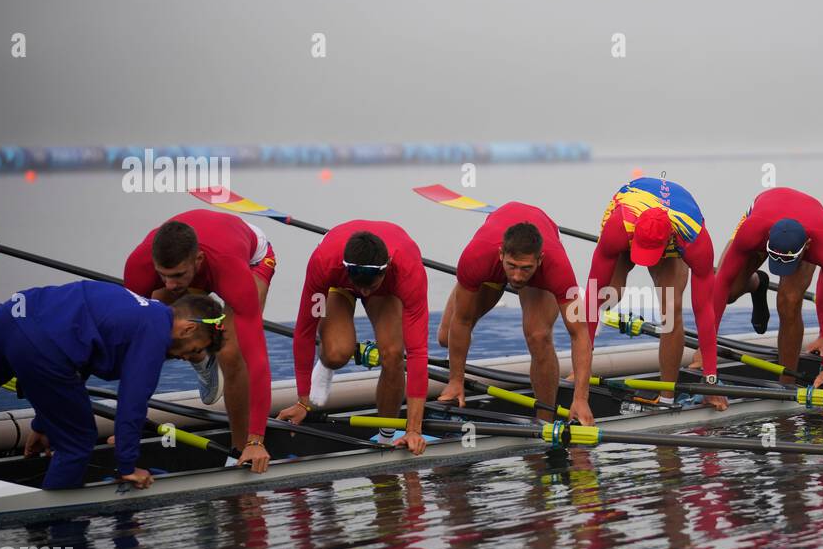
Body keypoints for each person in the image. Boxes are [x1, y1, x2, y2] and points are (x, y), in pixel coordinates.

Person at [0, 282, 223, 489]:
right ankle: (53, 526)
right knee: (78, 442)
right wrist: (127, 467)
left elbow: (75, 366)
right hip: (41, 344)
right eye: (197, 350)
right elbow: (131, 404)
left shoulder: (143, 309)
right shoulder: (154, 333)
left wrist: (44, 424)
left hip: (10, 316)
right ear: (188, 329)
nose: (188, 356)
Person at [124, 209, 276, 471]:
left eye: (178, 275)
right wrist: (126, 427)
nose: (170, 285)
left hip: (250, 260)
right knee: (155, 331)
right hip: (207, 258)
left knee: (231, 354)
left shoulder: (230, 270)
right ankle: (200, 356)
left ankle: (239, 449)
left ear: (198, 259)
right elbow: (129, 350)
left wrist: (257, 439)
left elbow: (258, 360)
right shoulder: (139, 265)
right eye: (163, 275)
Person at [275, 221, 430, 454]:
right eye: (361, 287)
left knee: (394, 353)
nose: (364, 292)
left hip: (386, 289)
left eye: (370, 287)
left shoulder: (408, 270)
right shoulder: (324, 263)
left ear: (386, 267)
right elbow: (304, 332)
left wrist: (414, 429)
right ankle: (328, 362)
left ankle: (385, 436)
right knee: (337, 353)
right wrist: (302, 401)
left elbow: (418, 352)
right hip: (340, 285)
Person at [438, 203, 595, 424]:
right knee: (446, 338)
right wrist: (456, 380)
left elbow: (580, 334)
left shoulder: (556, 266)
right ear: (501, 254)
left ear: (539, 259)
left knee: (538, 335)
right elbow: (462, 321)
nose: (518, 277)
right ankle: (470, 284)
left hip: (540, 256)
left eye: (526, 268)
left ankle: (544, 421)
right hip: (487, 266)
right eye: (512, 266)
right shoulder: (476, 257)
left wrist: (580, 398)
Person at [582, 176, 727, 410]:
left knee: (671, 310)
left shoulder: (693, 239)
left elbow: (704, 312)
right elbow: (592, 295)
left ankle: (666, 397)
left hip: (673, 233)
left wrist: (710, 379)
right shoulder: (617, 227)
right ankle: (582, 366)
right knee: (609, 295)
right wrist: (582, 376)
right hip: (629, 222)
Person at [712, 186, 823, 389]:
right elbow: (721, 282)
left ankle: (787, 383)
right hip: (764, 213)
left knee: (789, 302)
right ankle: (757, 283)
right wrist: (707, 348)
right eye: (775, 258)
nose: (780, 267)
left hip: (810, 223)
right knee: (728, 291)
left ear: (808, 246)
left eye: (786, 261)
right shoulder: (752, 230)